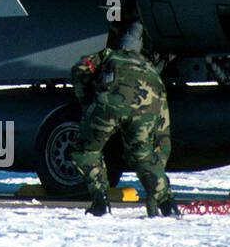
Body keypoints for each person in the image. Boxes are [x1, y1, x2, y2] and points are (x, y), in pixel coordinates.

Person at [70, 20, 178, 218]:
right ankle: (167, 204)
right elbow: (163, 124)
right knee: (142, 156)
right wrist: (158, 160)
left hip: (108, 106)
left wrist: (87, 101)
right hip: (145, 111)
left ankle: (100, 202)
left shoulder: (108, 55)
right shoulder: (152, 71)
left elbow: (80, 69)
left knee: (85, 150)